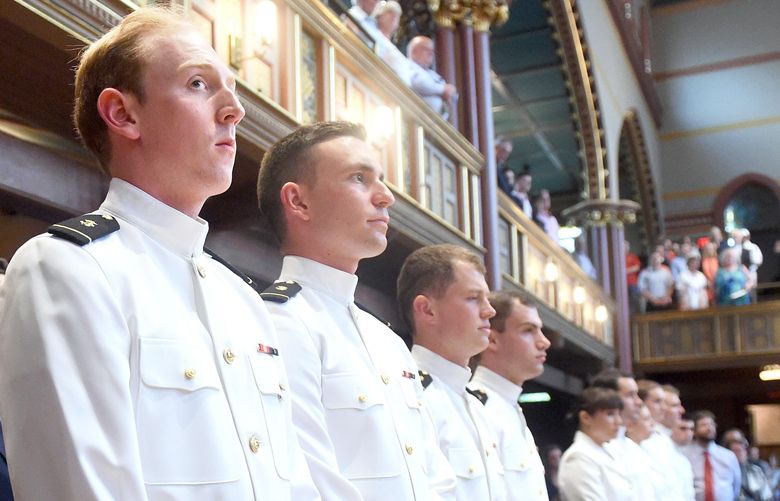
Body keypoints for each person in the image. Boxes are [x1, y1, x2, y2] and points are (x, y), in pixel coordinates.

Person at [0, 7, 318, 500]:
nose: (234, 109)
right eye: (197, 84)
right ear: (123, 114)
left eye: (231, 89)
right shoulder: (67, 268)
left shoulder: (243, 298)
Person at [256, 121, 456, 500]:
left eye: (380, 180)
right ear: (298, 202)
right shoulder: (280, 322)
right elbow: (309, 484)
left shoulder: (387, 340)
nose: (385, 197)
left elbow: (434, 473)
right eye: (359, 178)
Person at [397, 244, 505, 500]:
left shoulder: (478, 408)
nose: (490, 310)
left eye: (487, 299)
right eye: (473, 298)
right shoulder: (409, 396)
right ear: (427, 310)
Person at [468, 291, 552, 501]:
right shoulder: (478, 407)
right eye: (528, 331)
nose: (544, 342)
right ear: (493, 340)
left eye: (540, 331)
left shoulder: (508, 406)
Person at [558, 387, 633, 501]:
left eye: (619, 414)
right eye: (610, 414)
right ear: (586, 417)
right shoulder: (578, 457)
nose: (619, 421)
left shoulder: (609, 449)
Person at [682, 410, 741, 501]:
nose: (709, 428)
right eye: (704, 425)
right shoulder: (685, 455)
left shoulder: (728, 456)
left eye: (711, 424)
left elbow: (736, 485)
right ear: (694, 430)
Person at [408, 36, 458, 119]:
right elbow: (419, 84)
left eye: (432, 51)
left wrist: (451, 93)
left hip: (436, 121)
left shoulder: (432, 74)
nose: (431, 54)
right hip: (418, 120)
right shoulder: (408, 67)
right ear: (414, 52)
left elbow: (451, 94)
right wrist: (443, 90)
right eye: (426, 49)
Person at [372, 0, 412, 85]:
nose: (394, 16)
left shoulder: (393, 47)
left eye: (397, 15)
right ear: (379, 15)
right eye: (390, 12)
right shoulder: (373, 35)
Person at [725, 436, 773, 501]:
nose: (740, 453)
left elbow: (767, 495)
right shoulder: (724, 472)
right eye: (736, 451)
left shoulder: (756, 470)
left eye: (742, 450)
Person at [625, 241, 641, 312]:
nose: (625, 248)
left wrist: (625, 271)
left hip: (632, 283)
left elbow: (637, 267)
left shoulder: (632, 256)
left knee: (634, 300)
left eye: (626, 246)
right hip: (621, 284)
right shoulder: (617, 257)